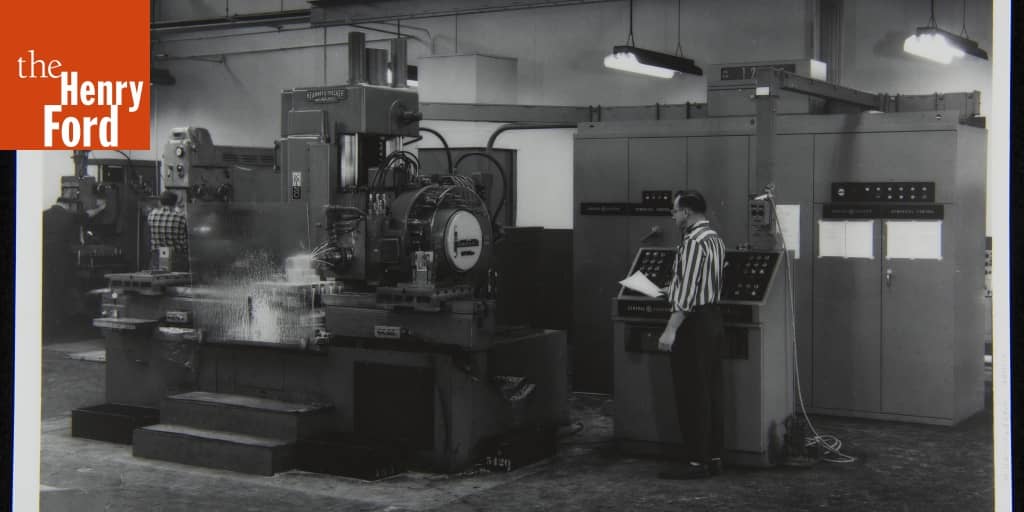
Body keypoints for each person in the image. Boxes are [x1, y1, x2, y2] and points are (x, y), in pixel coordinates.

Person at [656, 190, 727, 480]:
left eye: (674, 212)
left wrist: (670, 329)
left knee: (690, 393)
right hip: (712, 320)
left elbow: (686, 295)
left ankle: (695, 462)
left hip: (693, 325)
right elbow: (702, 283)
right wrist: (669, 290)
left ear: (686, 212)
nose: (673, 217)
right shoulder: (715, 239)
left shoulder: (692, 243)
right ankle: (712, 457)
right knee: (710, 391)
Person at [42, 196, 106, 339]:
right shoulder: (68, 216)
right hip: (61, 260)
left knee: (48, 292)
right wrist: (102, 208)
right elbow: (87, 215)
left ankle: (48, 328)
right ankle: (61, 328)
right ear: (70, 205)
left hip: (44, 258)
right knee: (61, 291)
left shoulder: (44, 215)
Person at [148, 191, 189, 271]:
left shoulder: (152, 215)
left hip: (157, 257)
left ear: (160, 202)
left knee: (157, 281)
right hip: (177, 258)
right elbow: (187, 235)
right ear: (175, 203)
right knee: (179, 282)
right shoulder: (181, 217)